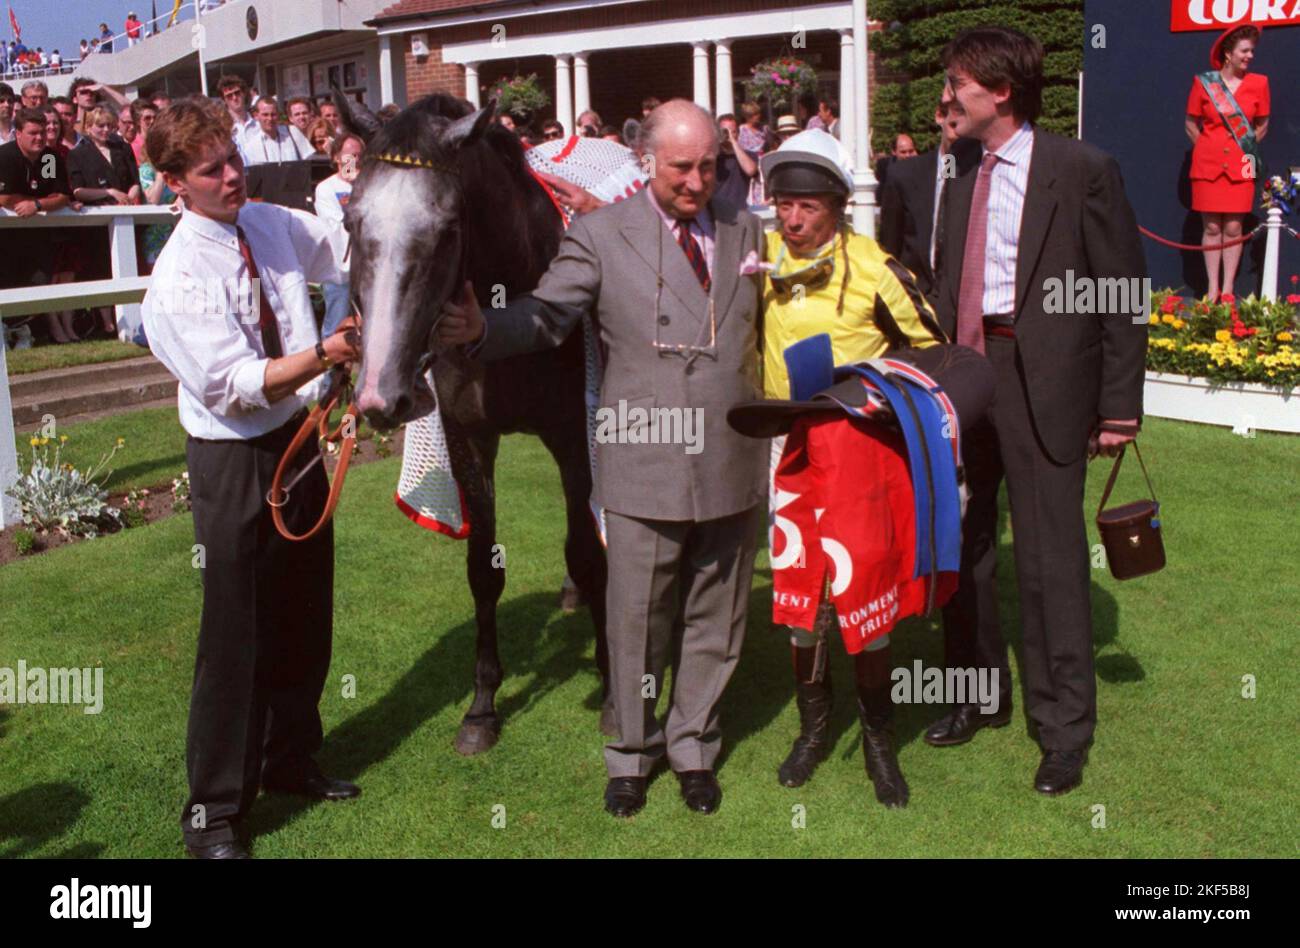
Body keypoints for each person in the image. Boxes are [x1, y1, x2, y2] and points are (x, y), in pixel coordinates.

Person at [437, 99, 767, 819]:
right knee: (636, 617)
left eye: (709, 164)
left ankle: (694, 746)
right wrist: (484, 326)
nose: (697, 180)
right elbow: (546, 314)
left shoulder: (748, 229)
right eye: (681, 166)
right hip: (644, 457)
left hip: (732, 452)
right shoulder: (597, 232)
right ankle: (632, 753)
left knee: (718, 616)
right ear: (648, 162)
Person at [140, 96, 362, 860]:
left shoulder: (267, 222)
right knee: (234, 634)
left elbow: (344, 248)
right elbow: (237, 383)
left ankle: (291, 760)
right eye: (213, 170)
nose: (233, 176)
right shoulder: (176, 278)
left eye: (233, 160)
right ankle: (214, 815)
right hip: (234, 458)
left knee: (305, 610)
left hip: (299, 442)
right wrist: (330, 354)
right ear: (175, 181)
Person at [929, 27, 1147, 796]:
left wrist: (1118, 407)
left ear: (1002, 90)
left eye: (959, 83)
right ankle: (974, 696)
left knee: (1053, 561)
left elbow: (1121, 293)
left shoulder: (1081, 169)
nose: (947, 95)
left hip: (1043, 378)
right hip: (963, 372)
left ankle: (1062, 732)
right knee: (963, 542)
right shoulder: (954, 167)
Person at [758, 130, 947, 806]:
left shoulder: (877, 267)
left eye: (806, 206)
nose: (792, 218)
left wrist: (875, 389)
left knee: (864, 596)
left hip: (858, 451)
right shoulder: (765, 263)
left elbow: (933, 353)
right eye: (783, 204)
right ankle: (814, 728)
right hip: (787, 448)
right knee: (799, 601)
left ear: (837, 205)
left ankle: (878, 738)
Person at [1185, 24, 1269, 303]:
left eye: (1251, 51)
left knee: (1234, 228)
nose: (1250, 56)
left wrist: (1241, 149)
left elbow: (1262, 125)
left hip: (1241, 165)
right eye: (1244, 51)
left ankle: (1229, 289)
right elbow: (1190, 124)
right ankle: (1212, 288)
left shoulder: (1259, 83)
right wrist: (1209, 149)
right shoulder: (1203, 82)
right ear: (1228, 54)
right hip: (1207, 166)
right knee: (1211, 228)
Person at [879, 98, 981, 303]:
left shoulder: (985, 173)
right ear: (940, 117)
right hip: (919, 302)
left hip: (970, 304)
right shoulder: (904, 176)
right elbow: (889, 248)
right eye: (953, 118)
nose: (959, 127)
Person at [68, 104, 142, 333]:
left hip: (126, 217)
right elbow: (77, 191)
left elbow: (134, 181)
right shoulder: (77, 154)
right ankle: (108, 323)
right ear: (89, 127)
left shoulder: (122, 149)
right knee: (100, 269)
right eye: (100, 126)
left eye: (109, 125)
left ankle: (132, 321)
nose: (105, 130)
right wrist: (109, 193)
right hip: (96, 223)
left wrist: (129, 196)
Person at [0, 109, 72, 302]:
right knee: (8, 286)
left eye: (42, 132)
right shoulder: (6, 157)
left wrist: (37, 204)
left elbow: (61, 196)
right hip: (6, 237)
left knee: (38, 284)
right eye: (33, 133)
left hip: (39, 235)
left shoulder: (49, 158)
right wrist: (43, 201)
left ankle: (22, 328)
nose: (39, 137)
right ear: (18, 134)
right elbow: (4, 198)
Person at [313, 133, 363, 336]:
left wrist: (361, 184)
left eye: (359, 156)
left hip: (367, 265)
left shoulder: (368, 184)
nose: (355, 161)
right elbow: (339, 225)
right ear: (336, 158)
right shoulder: (327, 188)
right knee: (337, 321)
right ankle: (330, 367)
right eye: (349, 156)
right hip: (340, 269)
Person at [241, 96, 308, 165]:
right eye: (265, 115)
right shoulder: (252, 146)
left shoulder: (293, 132)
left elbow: (309, 159)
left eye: (273, 114)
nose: (270, 118)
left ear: (278, 115)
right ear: (256, 116)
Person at [715, 112, 758, 208]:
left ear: (738, 133)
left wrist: (733, 142)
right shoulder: (713, 157)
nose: (728, 134)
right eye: (725, 131)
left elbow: (751, 170)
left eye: (733, 131)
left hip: (739, 211)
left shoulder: (748, 155)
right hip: (715, 213)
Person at [218, 75, 257, 149]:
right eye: (229, 96)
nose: (234, 98)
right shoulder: (223, 128)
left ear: (244, 93)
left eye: (237, 93)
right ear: (224, 100)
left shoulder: (258, 124)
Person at [129, 98, 158, 164]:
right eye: (147, 118)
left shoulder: (159, 143)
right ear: (138, 121)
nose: (152, 121)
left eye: (155, 117)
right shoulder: (134, 148)